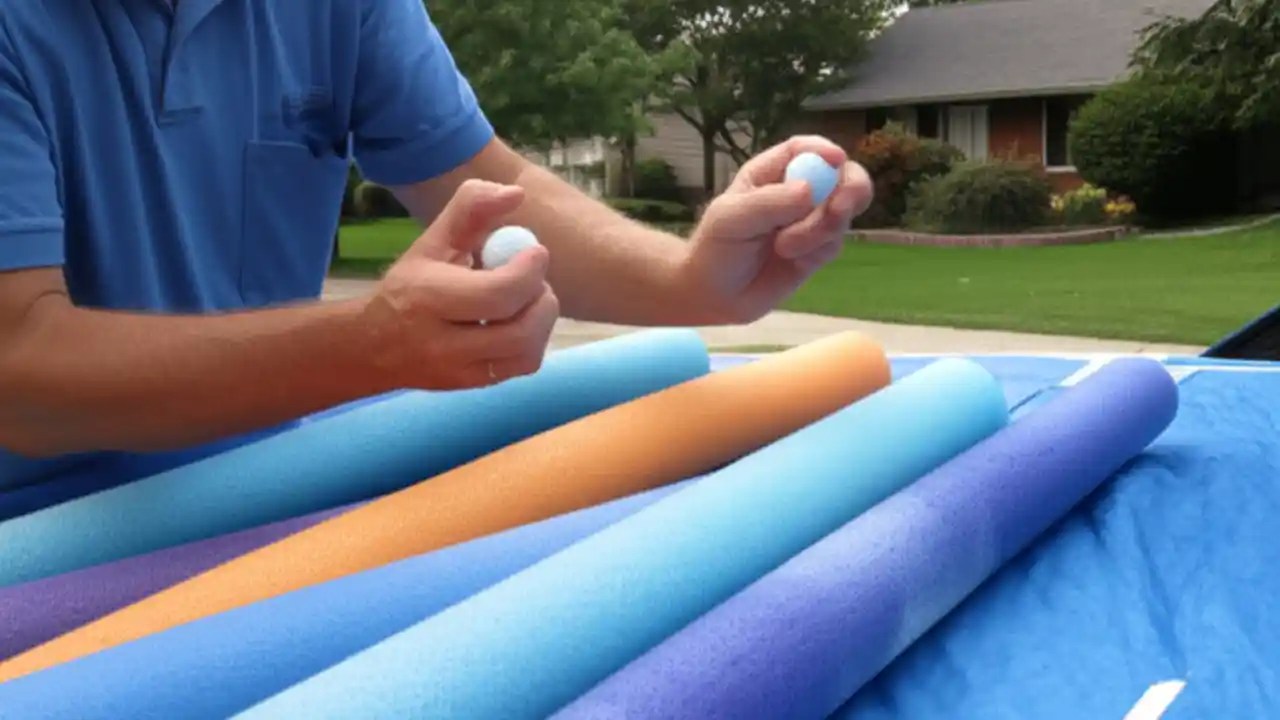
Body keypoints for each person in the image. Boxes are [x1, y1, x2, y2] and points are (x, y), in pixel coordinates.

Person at [0, 0, 872, 476]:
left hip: (261, 500)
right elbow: (21, 375)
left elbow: (485, 184)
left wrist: (691, 278)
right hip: (35, 558)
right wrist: (369, 346)